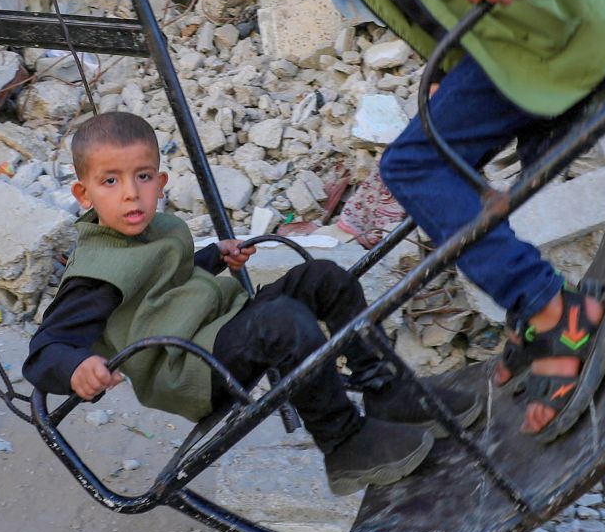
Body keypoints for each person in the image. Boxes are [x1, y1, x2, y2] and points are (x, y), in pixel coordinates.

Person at [256, 0, 605, 445]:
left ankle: (555, 313)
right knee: (437, 165)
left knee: (411, 163)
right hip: (510, 53)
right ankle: (537, 311)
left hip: (538, 39)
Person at [25, 112, 484, 496]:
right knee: (283, 321)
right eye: (110, 181)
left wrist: (212, 257)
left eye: (142, 177)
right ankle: (344, 444)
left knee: (324, 277)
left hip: (219, 327)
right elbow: (47, 347)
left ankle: (387, 389)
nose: (130, 193)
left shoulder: (153, 227)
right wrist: (75, 368)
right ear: (83, 195)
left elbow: (162, 273)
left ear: (161, 180)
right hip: (191, 368)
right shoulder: (94, 274)